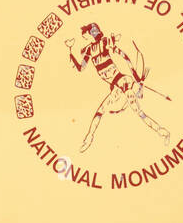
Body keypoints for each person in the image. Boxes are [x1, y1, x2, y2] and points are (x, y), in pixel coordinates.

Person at [66, 22, 171, 151]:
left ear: (91, 33)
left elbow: (124, 56)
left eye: (86, 33)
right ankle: (88, 139)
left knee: (138, 112)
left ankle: (164, 133)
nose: (84, 36)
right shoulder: (88, 50)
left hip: (122, 82)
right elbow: (81, 68)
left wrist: (136, 78)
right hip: (115, 86)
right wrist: (70, 53)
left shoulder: (105, 42)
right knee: (100, 111)